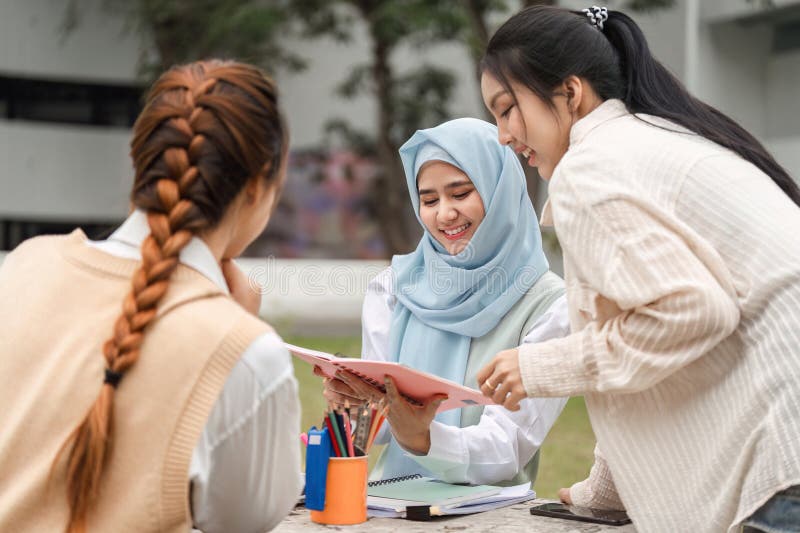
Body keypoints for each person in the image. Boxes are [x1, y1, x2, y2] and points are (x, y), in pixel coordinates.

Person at [476, 5, 800, 532]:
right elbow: (642, 341)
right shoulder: (648, 139)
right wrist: (606, 489)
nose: (503, 135)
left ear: (570, 93)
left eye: (508, 108)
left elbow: (691, 312)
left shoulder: (590, 171)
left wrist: (540, 367)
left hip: (784, 455)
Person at [0, 60, 302, 532]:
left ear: (141, 163)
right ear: (259, 186)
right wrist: (236, 333)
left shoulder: (21, 267)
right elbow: (247, 521)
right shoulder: (245, 354)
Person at [322, 117, 570, 486]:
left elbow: (509, 448)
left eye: (461, 193)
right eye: (429, 199)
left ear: (500, 192)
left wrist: (423, 438)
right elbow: (375, 435)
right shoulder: (392, 289)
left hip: (492, 519)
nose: (444, 214)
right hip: (391, 510)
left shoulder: (549, 305)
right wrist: (352, 409)